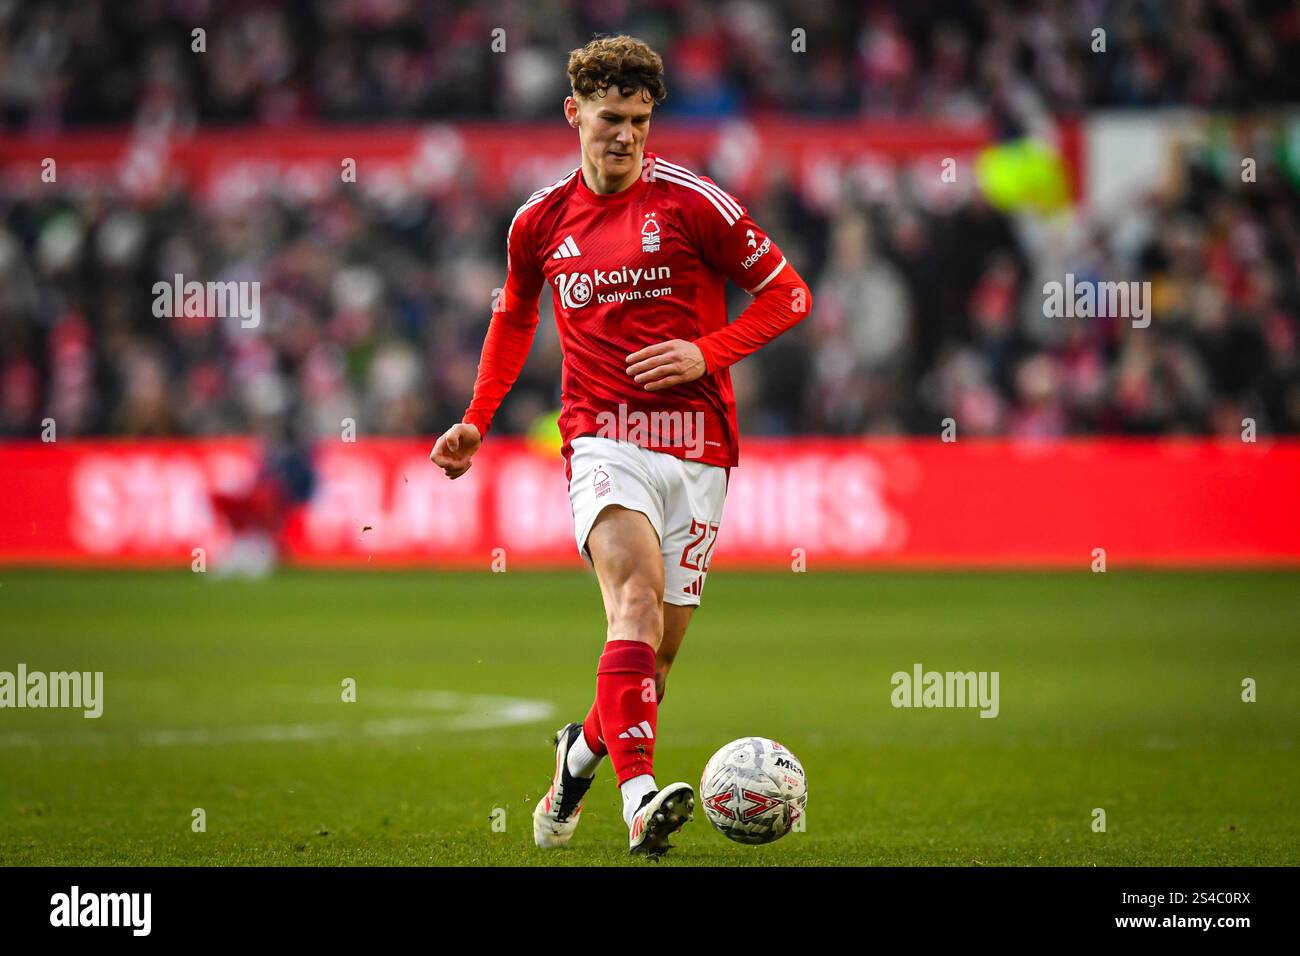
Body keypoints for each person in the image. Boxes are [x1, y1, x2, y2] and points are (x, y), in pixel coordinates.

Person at [430, 35, 812, 856]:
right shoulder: (538, 222)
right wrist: (477, 417)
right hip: (604, 438)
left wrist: (708, 352)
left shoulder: (692, 204)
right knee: (632, 600)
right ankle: (640, 800)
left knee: (654, 666)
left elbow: (789, 293)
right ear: (574, 114)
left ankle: (578, 760)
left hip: (699, 445)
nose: (626, 136)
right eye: (610, 118)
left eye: (640, 120)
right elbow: (514, 317)